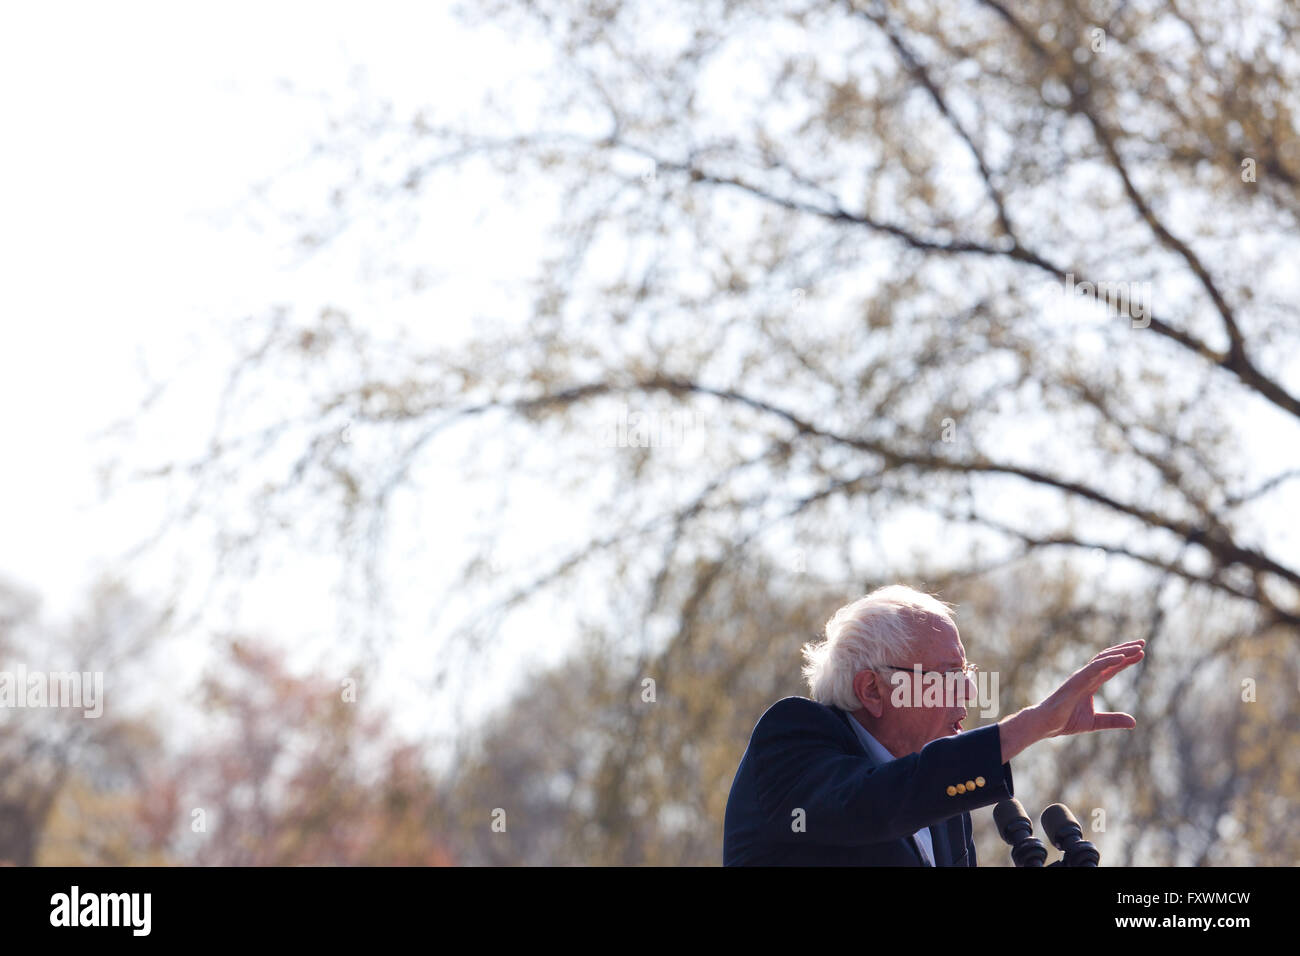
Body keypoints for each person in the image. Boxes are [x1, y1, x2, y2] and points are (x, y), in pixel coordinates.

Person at [722, 585, 1144, 865]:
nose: (967, 693)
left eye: (968, 673)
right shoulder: (793, 738)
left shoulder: (943, 808)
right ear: (872, 689)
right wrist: (1031, 725)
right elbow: (872, 804)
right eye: (947, 676)